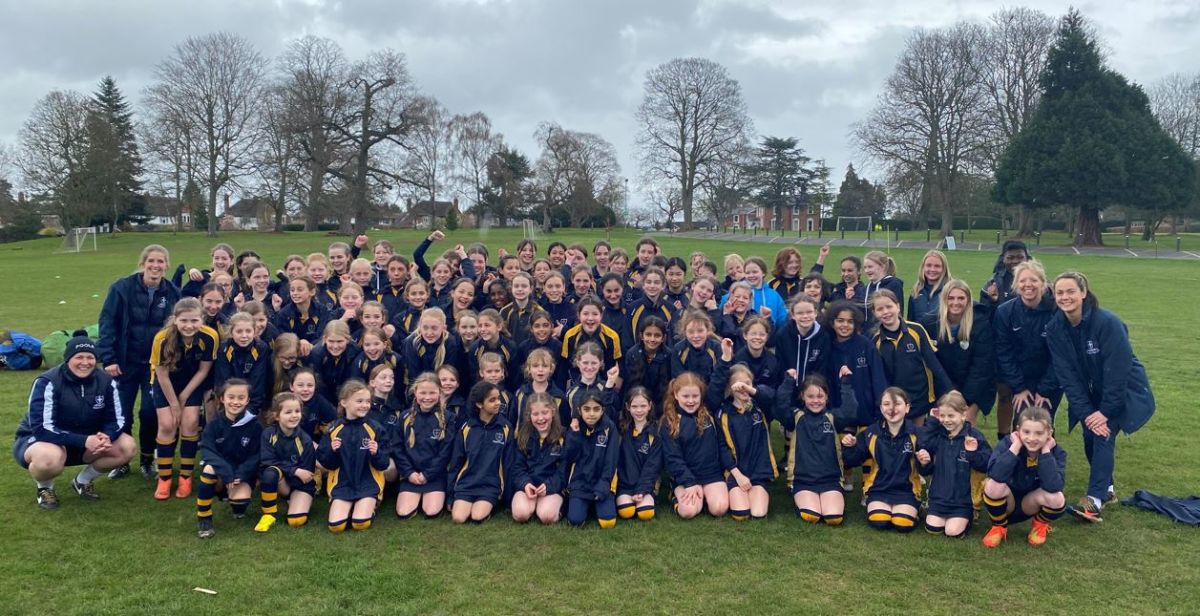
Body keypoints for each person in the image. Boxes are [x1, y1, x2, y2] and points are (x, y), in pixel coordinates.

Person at [1046, 271, 1155, 523]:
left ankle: (1094, 500)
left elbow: (1118, 371)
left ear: (1083, 292)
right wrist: (1086, 412)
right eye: (1060, 293)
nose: (1065, 297)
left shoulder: (1108, 322)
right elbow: (1066, 376)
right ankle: (1107, 489)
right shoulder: (1054, 328)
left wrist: (1105, 412)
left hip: (1122, 390)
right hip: (1089, 393)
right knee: (1089, 434)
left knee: (1102, 434)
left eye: (1071, 291)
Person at [13, 332, 135, 509]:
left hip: (87, 441)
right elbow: (41, 428)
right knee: (48, 458)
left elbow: (117, 419)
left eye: (90, 357)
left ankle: (82, 481)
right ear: (68, 358)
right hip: (44, 441)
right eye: (79, 357)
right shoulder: (47, 381)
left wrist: (107, 435)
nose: (85, 362)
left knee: (126, 446)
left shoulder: (107, 381)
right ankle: (45, 488)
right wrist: (84, 440)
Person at [98, 244, 181, 479]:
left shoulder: (173, 292)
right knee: (122, 412)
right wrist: (109, 358)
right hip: (124, 363)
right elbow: (107, 322)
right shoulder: (122, 288)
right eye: (151, 261)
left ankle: (146, 459)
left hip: (155, 366)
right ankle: (122, 460)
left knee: (149, 412)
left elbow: (178, 329)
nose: (155, 265)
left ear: (167, 265)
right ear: (143, 263)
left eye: (160, 261)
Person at [149, 298, 219, 501]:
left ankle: (185, 477)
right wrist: (174, 404)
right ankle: (164, 478)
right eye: (184, 320)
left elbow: (204, 370)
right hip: (166, 384)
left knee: (191, 423)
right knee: (167, 424)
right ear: (175, 320)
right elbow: (161, 374)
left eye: (194, 320)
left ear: (202, 319)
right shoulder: (162, 338)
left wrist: (184, 397)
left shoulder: (210, 336)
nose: (189, 326)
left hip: (192, 383)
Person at [774, 369, 857, 526]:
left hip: (830, 480)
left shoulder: (832, 418)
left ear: (827, 397)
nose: (815, 401)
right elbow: (780, 407)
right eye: (810, 396)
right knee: (811, 515)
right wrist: (788, 381)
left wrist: (845, 382)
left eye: (820, 396)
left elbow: (850, 410)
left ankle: (829, 498)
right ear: (802, 396)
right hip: (803, 480)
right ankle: (801, 498)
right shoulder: (796, 418)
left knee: (833, 518)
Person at [992, 261, 1062, 442]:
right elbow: (1004, 352)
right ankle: (1019, 459)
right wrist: (1019, 388)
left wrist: (1045, 390)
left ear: (1043, 283)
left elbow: (1060, 356)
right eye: (1022, 281)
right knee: (1023, 421)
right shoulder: (1005, 312)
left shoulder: (1056, 311)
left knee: (1044, 422)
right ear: (1016, 284)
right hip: (1020, 380)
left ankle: (1048, 458)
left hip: (1050, 379)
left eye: (1034, 280)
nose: (1028, 285)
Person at [981, 406, 1067, 547]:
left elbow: (1054, 486)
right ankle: (999, 526)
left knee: (1057, 499)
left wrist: (1045, 452)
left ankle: (1039, 524)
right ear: (1018, 430)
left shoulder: (1057, 452)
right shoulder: (1007, 444)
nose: (1032, 438)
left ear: (1049, 433)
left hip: (1030, 504)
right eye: (1026, 432)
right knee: (992, 485)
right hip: (1006, 502)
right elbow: (995, 474)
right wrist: (1015, 447)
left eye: (1039, 433)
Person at [840, 387, 921, 532]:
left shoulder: (917, 433)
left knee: (902, 524)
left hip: (906, 490)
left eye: (897, 404)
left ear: (907, 408)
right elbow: (853, 460)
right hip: (878, 488)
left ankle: (913, 510)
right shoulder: (871, 432)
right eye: (887, 404)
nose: (892, 409)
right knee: (879, 522)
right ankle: (884, 507)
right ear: (881, 408)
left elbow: (927, 469)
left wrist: (925, 460)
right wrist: (850, 446)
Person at [713, 340, 777, 521]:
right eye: (738, 384)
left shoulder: (759, 406)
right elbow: (721, 448)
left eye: (747, 383)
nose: (742, 388)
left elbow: (772, 397)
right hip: (736, 471)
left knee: (758, 513)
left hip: (758, 470)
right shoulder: (723, 412)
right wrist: (738, 475)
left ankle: (759, 488)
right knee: (741, 514)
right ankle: (736, 487)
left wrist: (751, 390)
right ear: (730, 387)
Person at [318, 380, 390, 533]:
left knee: (360, 523)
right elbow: (327, 463)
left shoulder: (375, 428)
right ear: (344, 402)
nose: (365, 405)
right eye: (359, 401)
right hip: (342, 484)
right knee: (336, 527)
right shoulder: (334, 429)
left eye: (367, 401)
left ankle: (369, 506)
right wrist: (332, 450)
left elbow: (383, 464)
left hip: (368, 483)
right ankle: (349, 506)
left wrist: (376, 453)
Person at [870, 290, 952, 424]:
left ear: (898, 306)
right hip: (896, 402)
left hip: (920, 398)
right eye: (880, 309)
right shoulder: (876, 341)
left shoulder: (916, 330)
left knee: (919, 434)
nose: (885, 312)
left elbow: (933, 363)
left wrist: (949, 390)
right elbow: (879, 376)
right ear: (874, 313)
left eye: (889, 306)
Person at [917, 391, 991, 538]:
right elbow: (922, 445)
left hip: (962, 500)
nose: (946, 420)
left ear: (964, 414)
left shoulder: (974, 436)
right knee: (933, 529)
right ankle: (933, 509)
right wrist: (924, 463)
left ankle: (970, 515)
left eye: (951, 416)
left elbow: (986, 464)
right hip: (939, 498)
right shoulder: (937, 435)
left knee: (952, 531)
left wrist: (972, 454)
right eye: (942, 416)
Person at [922, 279, 995, 425]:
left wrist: (964, 399)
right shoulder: (929, 324)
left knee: (965, 421)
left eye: (961, 298)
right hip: (942, 386)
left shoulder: (980, 324)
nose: (956, 302)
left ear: (968, 300)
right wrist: (948, 391)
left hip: (974, 387)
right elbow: (932, 364)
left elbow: (981, 366)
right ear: (944, 300)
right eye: (951, 298)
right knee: (940, 424)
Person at [196, 379, 262, 538]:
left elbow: (258, 455)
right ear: (222, 399)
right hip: (222, 472)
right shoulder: (213, 425)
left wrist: (242, 473)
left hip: (241, 474)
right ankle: (204, 518)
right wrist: (225, 471)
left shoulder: (255, 426)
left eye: (241, 398)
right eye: (231, 397)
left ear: (247, 400)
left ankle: (233, 501)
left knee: (240, 503)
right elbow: (207, 451)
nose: (235, 402)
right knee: (209, 468)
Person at [658, 372, 728, 519]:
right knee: (688, 512)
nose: (691, 401)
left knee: (719, 509)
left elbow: (718, 382)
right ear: (676, 395)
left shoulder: (708, 413)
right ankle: (676, 495)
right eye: (686, 396)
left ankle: (706, 496)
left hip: (711, 474)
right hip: (685, 477)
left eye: (695, 396)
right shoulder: (669, 421)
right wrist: (689, 482)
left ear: (701, 396)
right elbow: (672, 458)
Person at [448, 381, 513, 524]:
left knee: (477, 517)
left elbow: (508, 464)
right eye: (492, 400)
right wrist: (450, 497)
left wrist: (508, 500)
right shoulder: (466, 428)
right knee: (458, 518)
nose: (498, 403)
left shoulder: (506, 427)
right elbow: (456, 462)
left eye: (498, 398)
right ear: (479, 404)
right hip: (467, 483)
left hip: (490, 485)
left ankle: (489, 506)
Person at [393, 373, 453, 520]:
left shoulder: (449, 418)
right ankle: (413, 495)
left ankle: (430, 496)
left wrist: (428, 475)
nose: (427, 397)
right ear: (415, 392)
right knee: (404, 513)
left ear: (440, 392)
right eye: (423, 393)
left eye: (432, 393)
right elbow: (397, 449)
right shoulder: (404, 417)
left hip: (435, 475)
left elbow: (446, 452)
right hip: (411, 475)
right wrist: (409, 473)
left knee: (431, 512)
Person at [255, 392, 317, 532]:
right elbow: (267, 461)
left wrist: (296, 477)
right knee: (270, 472)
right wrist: (294, 470)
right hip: (281, 481)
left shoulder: (305, 440)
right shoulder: (268, 434)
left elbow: (306, 474)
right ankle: (268, 515)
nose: (294, 415)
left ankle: (294, 499)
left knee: (296, 521)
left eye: (297, 411)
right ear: (277, 416)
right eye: (288, 412)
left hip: (300, 485)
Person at [563, 391, 621, 528]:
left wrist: (603, 486)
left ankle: (598, 504)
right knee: (575, 521)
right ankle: (583, 504)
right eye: (587, 409)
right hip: (580, 483)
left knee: (608, 522)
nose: (591, 414)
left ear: (602, 410)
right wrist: (574, 435)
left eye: (596, 409)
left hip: (602, 482)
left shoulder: (610, 427)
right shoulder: (575, 427)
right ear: (579, 410)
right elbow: (570, 457)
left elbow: (611, 461)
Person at [509, 392, 568, 525]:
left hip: (551, 487)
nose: (540, 418)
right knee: (520, 514)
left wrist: (549, 486)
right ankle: (532, 505)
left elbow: (564, 470)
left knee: (547, 516)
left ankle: (551, 507)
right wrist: (525, 484)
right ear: (529, 416)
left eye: (545, 413)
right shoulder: (523, 436)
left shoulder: (564, 436)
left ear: (553, 412)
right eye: (535, 414)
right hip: (529, 486)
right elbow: (517, 467)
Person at [615, 387, 662, 521]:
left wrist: (642, 490)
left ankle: (648, 496)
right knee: (626, 511)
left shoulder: (656, 433)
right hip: (625, 485)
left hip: (646, 485)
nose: (639, 410)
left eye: (643, 406)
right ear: (627, 407)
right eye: (634, 406)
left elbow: (652, 466)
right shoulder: (621, 430)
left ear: (650, 406)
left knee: (645, 513)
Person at [980, 240, 1031, 309]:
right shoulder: (993, 283)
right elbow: (983, 312)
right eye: (1010, 258)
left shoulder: (1038, 282)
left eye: (1020, 257)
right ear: (1003, 259)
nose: (1015, 261)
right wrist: (993, 302)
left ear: (1027, 258)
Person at [907, 250, 952, 322]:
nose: (932, 269)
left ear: (944, 269)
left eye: (937, 266)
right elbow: (911, 323)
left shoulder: (951, 291)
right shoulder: (915, 292)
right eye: (928, 265)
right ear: (923, 267)